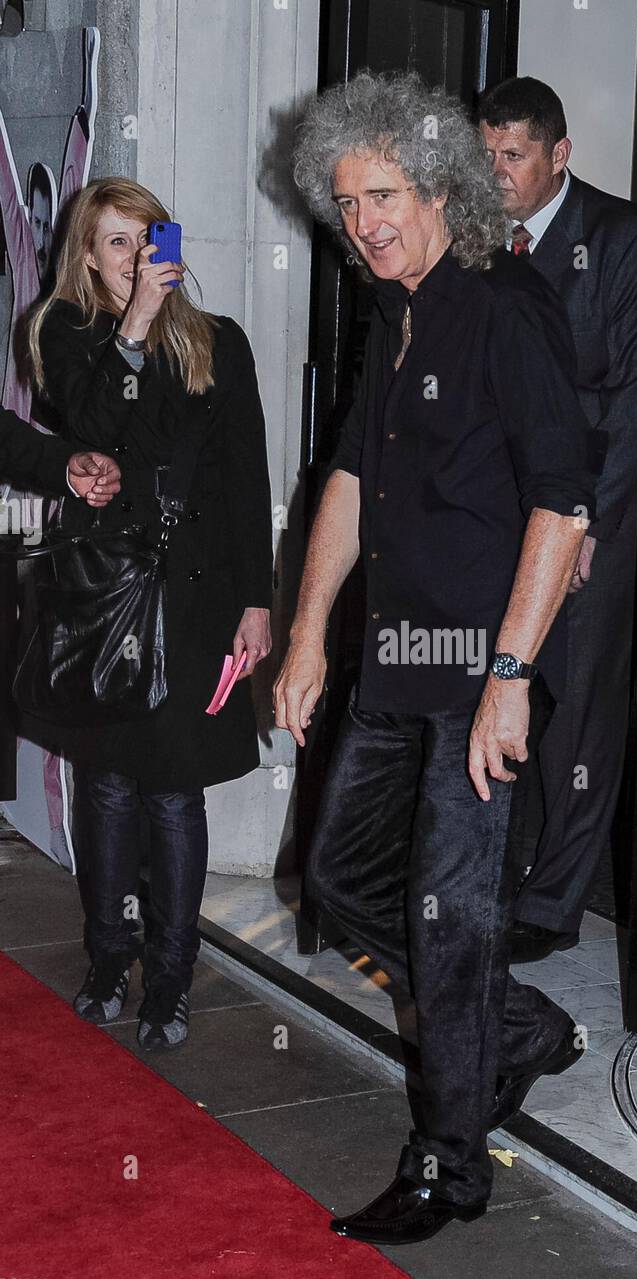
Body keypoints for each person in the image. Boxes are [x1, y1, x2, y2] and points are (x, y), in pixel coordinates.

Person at [274, 70, 596, 1246]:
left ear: (442, 186)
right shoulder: (389, 312)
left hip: (479, 669)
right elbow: (351, 478)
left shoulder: (509, 306)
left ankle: (451, 1163)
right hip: (392, 664)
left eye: (387, 192)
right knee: (342, 883)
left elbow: (563, 501)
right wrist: (310, 630)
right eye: (349, 198)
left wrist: (511, 677)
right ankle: (515, 1032)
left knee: (448, 922)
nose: (365, 220)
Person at [24, 176, 273, 1050]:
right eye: (117, 243)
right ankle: (106, 954)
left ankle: (170, 975)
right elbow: (93, 425)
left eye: (149, 240)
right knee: (107, 783)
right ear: (88, 255)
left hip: (199, 598)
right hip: (105, 592)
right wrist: (131, 328)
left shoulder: (218, 343)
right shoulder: (61, 333)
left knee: (173, 793)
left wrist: (258, 599)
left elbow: (247, 478)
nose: (135, 260)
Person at [478, 77, 637, 959]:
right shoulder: (477, 243)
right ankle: (493, 876)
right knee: (502, 696)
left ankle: (553, 904)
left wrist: (584, 530)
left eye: (513, 156)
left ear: (559, 155)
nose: (497, 171)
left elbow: (631, 406)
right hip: (499, 515)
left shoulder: (620, 241)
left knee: (579, 712)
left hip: (590, 518)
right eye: (487, 153)